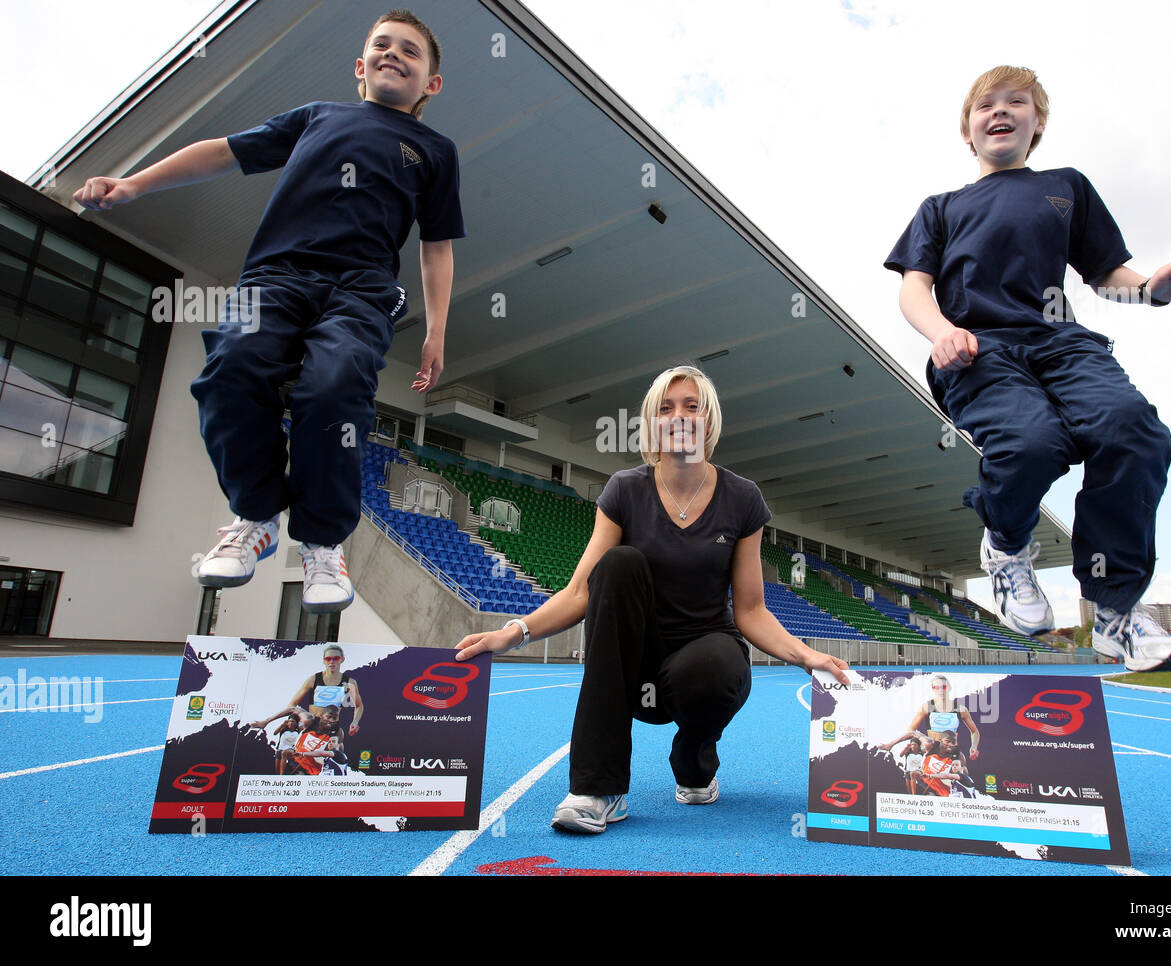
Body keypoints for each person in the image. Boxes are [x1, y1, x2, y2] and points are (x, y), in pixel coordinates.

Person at [72, 9, 464, 613]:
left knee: (333, 389)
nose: (394, 54)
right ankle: (255, 515)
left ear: (431, 84)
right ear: (360, 68)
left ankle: (322, 539)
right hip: (275, 277)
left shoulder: (435, 150)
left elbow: (436, 247)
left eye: (410, 52)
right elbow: (222, 153)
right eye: (381, 45)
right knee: (229, 371)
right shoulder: (318, 117)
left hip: (360, 290)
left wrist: (437, 330)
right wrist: (134, 184)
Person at [885, 65, 1171, 672]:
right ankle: (1007, 547)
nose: (1000, 111)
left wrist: (1154, 291)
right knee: (1031, 444)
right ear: (967, 130)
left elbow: (1109, 276)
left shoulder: (1065, 188)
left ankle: (1115, 611)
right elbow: (913, 289)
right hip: (979, 350)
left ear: (1037, 125)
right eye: (986, 105)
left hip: (1062, 343)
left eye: (1017, 102)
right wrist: (942, 332)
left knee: (1132, 429)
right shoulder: (941, 208)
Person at [454, 365, 851, 833]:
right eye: (666, 408)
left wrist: (806, 656)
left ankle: (694, 762)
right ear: (652, 423)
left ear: (709, 422)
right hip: (632, 668)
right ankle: (599, 789)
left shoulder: (743, 499)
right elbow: (581, 590)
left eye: (691, 406)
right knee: (618, 564)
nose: (679, 416)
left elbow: (750, 609)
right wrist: (513, 632)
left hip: (702, 663)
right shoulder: (625, 489)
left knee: (716, 669)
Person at [248, 643, 365, 737]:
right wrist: (295, 721)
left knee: (339, 741)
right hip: (311, 721)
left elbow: (358, 705)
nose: (332, 662)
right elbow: (292, 704)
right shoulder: (314, 679)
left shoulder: (349, 682)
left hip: (329, 725)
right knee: (297, 712)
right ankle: (265, 722)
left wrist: (355, 722)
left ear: (342, 659)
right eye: (328, 659)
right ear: (324, 661)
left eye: (336, 658)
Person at [874, 674, 981, 760]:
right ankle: (889, 745)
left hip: (949, 748)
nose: (940, 690)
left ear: (949, 688)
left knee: (962, 766)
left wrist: (974, 746)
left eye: (943, 687)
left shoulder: (961, 709)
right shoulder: (927, 707)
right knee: (916, 736)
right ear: (933, 689)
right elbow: (911, 730)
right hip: (932, 747)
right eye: (936, 687)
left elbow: (974, 731)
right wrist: (921, 743)